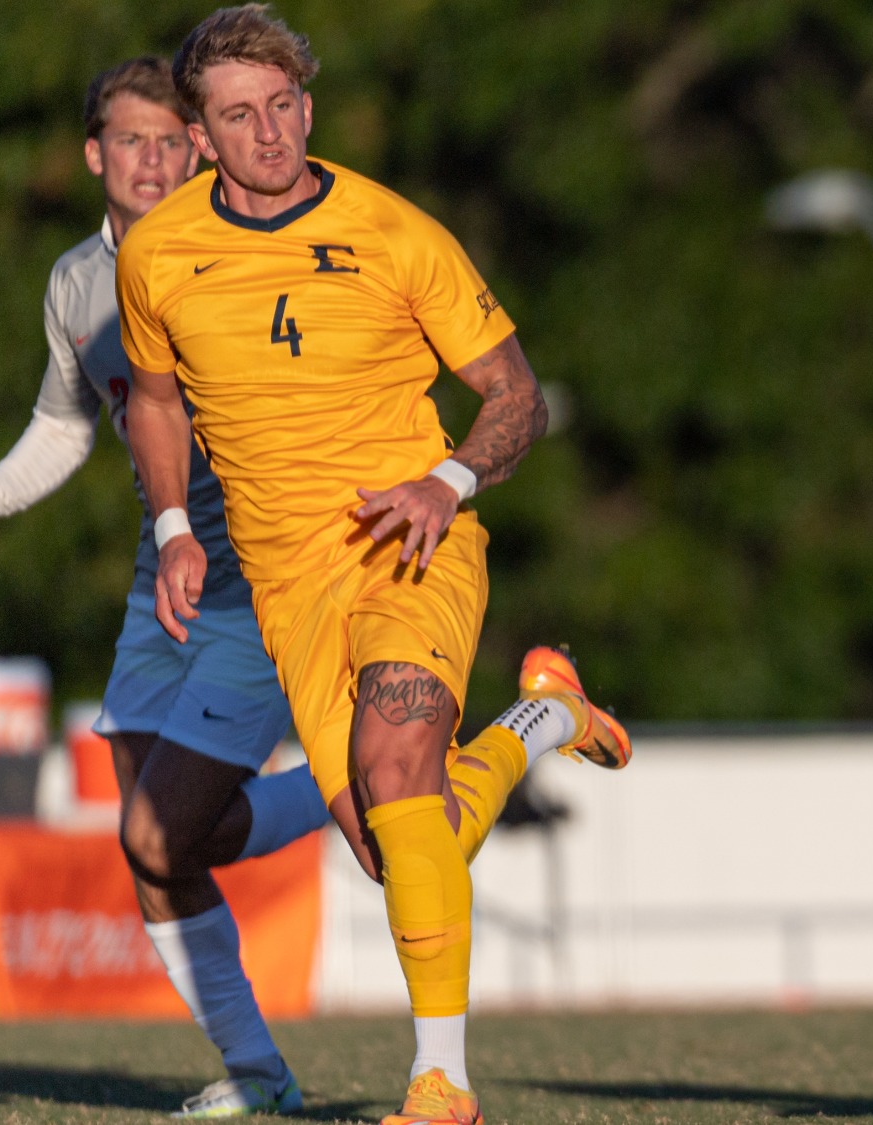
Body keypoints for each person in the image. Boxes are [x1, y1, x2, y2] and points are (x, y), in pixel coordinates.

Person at [115, 9, 629, 1123]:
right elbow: (154, 403)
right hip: (284, 584)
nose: (267, 133)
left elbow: (515, 395)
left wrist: (447, 482)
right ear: (199, 137)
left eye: (282, 106)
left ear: (309, 106)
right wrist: (175, 528)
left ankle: (441, 1084)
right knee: (401, 847)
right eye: (238, 116)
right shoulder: (155, 254)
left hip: (412, 542)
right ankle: (544, 717)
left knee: (397, 767)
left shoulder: (396, 233)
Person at [0, 57, 333, 1116]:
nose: (151, 159)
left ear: (197, 149)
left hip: (263, 571)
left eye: (169, 139)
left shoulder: (242, 246)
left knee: (161, 831)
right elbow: (66, 423)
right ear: (93, 154)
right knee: (154, 845)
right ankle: (259, 1074)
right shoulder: (74, 282)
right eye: (129, 140)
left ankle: (350, 787)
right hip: (167, 574)